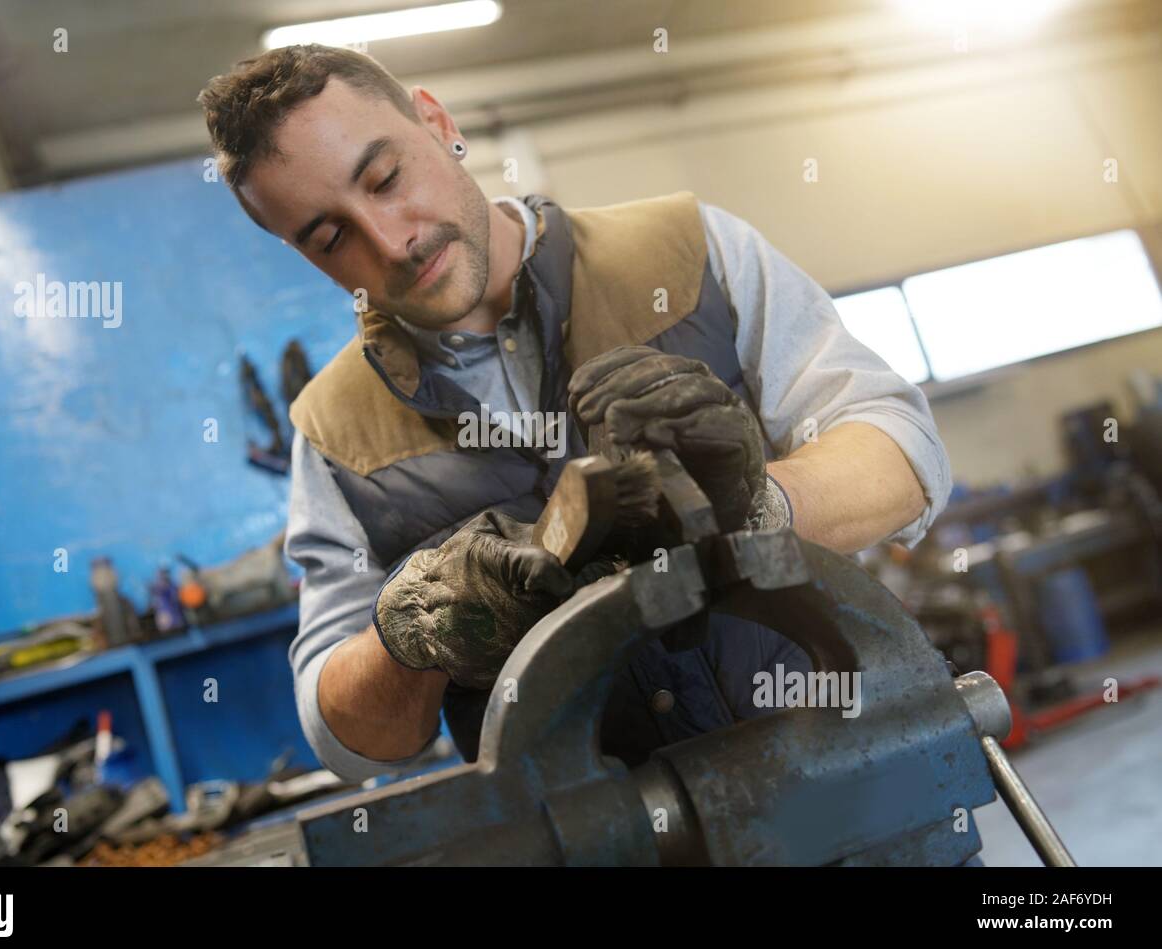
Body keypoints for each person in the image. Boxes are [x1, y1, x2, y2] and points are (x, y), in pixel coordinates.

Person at [198, 44, 951, 783]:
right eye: (331, 237)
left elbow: (904, 451)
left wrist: (759, 506)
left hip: (856, 786)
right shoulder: (333, 433)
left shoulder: (688, 252)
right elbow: (349, 740)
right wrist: (412, 635)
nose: (392, 241)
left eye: (386, 177)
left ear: (435, 120)